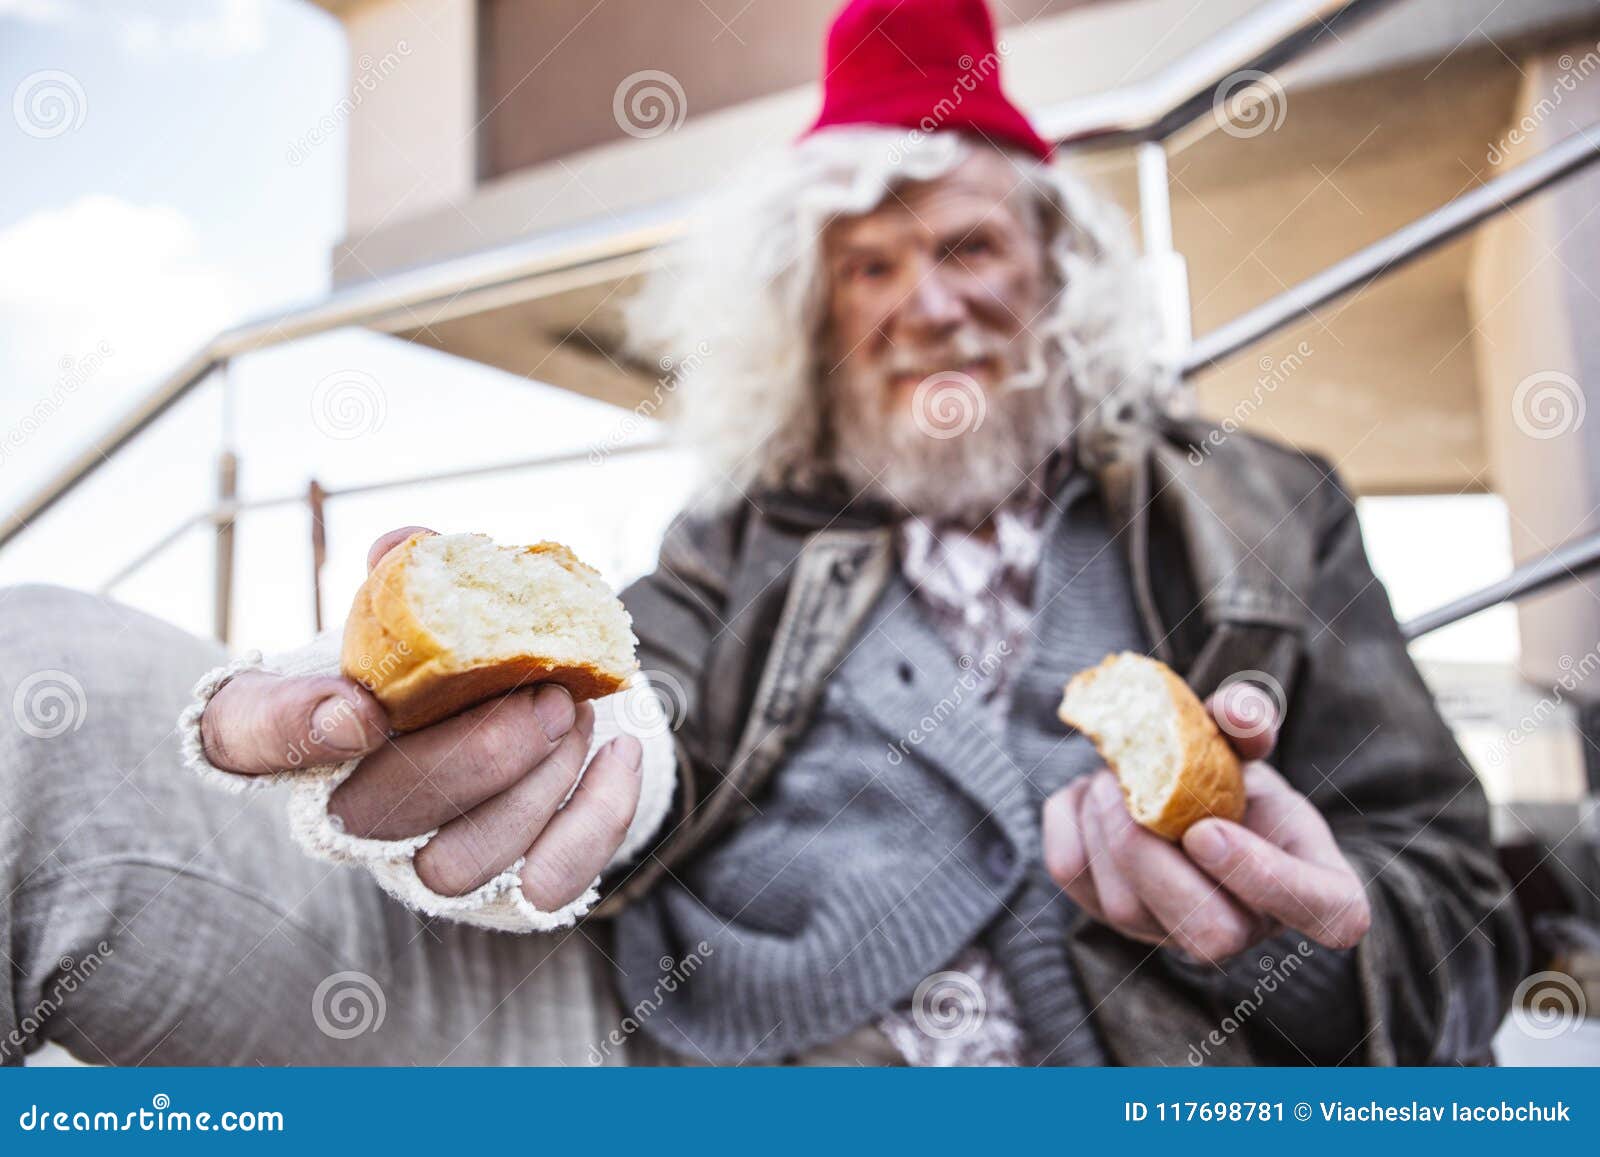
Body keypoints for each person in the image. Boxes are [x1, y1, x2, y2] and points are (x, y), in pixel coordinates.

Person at [0, 0, 1523, 1068]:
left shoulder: (1267, 502)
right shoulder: (753, 526)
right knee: (36, 690)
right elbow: (645, 703)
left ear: (1060, 274)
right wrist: (566, 754)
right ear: (813, 319)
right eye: (868, 265)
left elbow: (1458, 898)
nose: (923, 299)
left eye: (970, 244)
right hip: (668, 1051)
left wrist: (1296, 942)